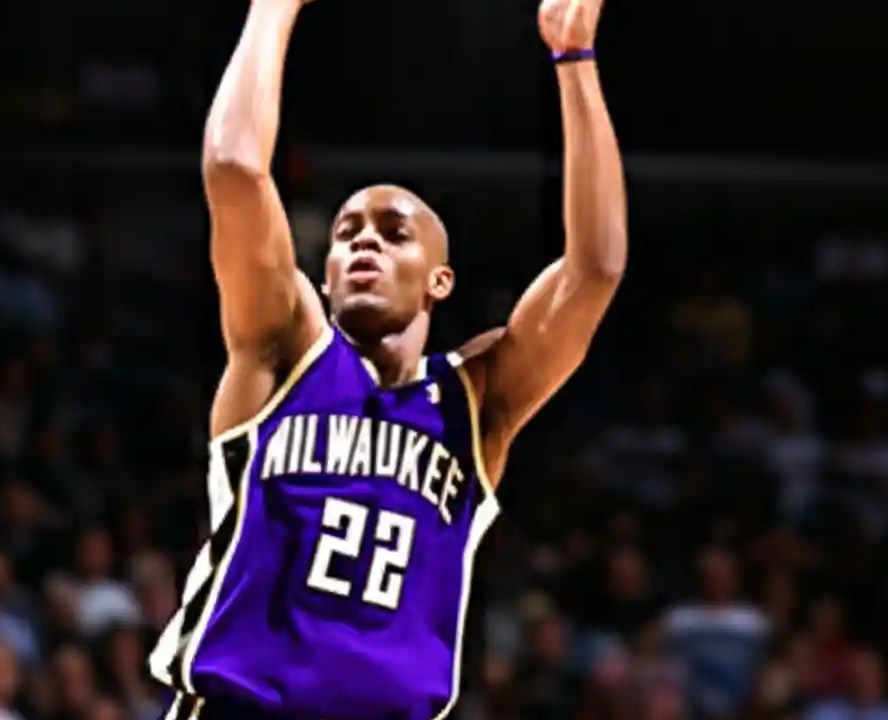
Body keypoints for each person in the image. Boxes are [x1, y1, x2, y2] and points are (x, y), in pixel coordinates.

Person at [146, 0, 627, 715]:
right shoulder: (284, 353)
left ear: (440, 281)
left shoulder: (475, 403)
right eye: (346, 234)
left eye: (393, 233)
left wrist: (574, 56)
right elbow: (234, 168)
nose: (363, 241)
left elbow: (595, 270)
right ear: (325, 274)